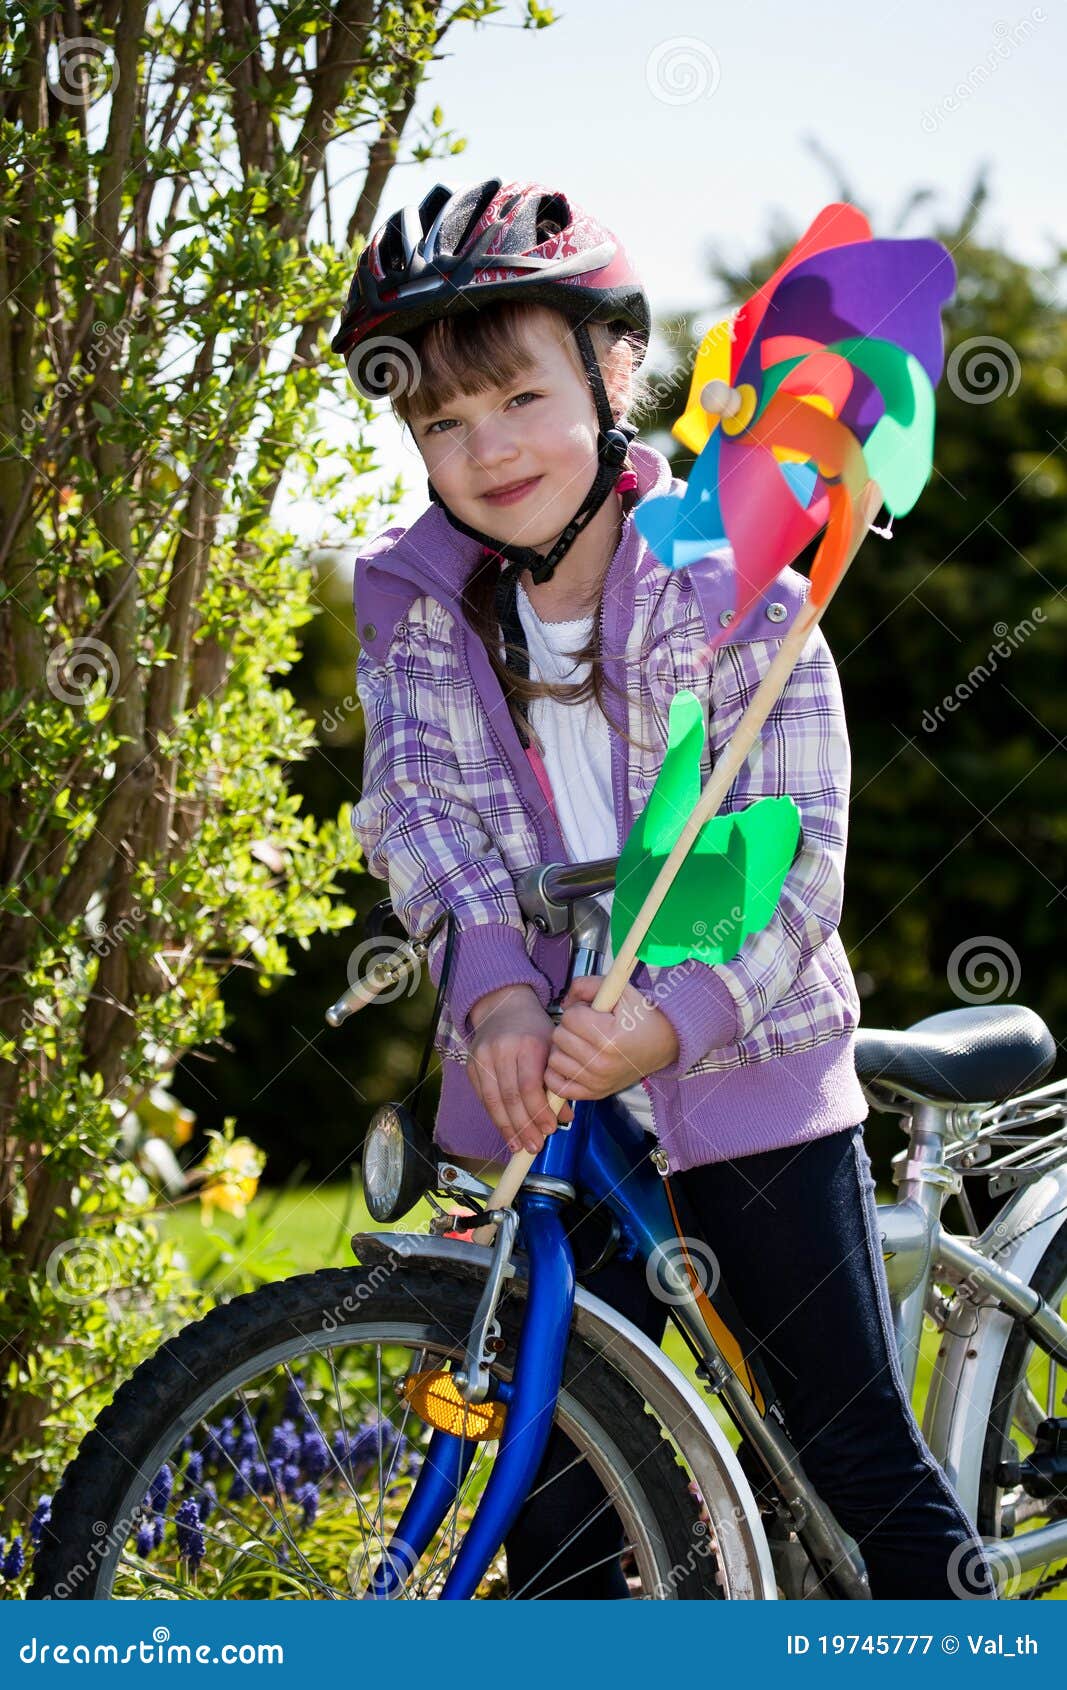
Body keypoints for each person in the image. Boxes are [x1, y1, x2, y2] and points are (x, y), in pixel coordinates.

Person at [335, 178, 996, 1601]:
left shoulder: (734, 573)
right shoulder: (419, 612)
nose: (485, 447)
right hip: (543, 1094)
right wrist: (499, 992)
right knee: (565, 1478)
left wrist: (669, 1020)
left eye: (516, 395)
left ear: (614, 367)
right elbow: (425, 816)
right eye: (441, 423)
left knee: (845, 1442)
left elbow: (791, 867)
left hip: (742, 1063)